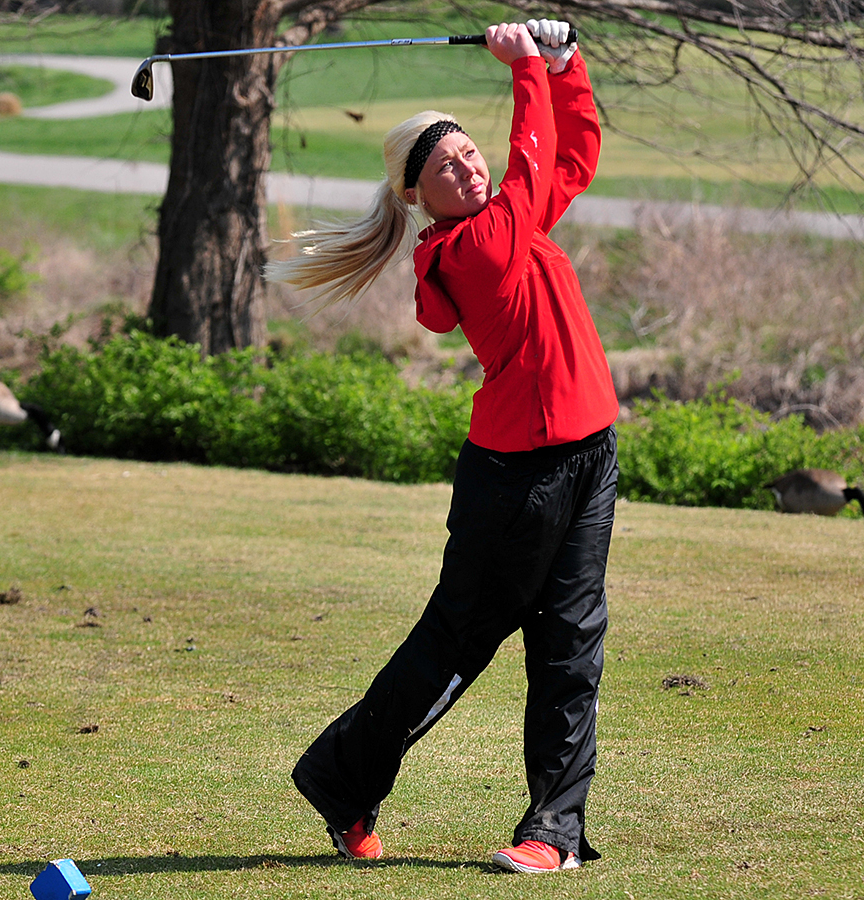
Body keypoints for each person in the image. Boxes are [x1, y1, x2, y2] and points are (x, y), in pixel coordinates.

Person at [266, 18, 620, 874]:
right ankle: (342, 779)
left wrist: (566, 65)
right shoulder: (473, 248)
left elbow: (572, 158)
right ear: (420, 196)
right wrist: (525, 67)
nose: (468, 168)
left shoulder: (510, 220)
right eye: (446, 169)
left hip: (588, 457)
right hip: (516, 481)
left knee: (572, 646)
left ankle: (554, 832)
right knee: (455, 651)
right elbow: (535, 160)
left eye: (468, 154)